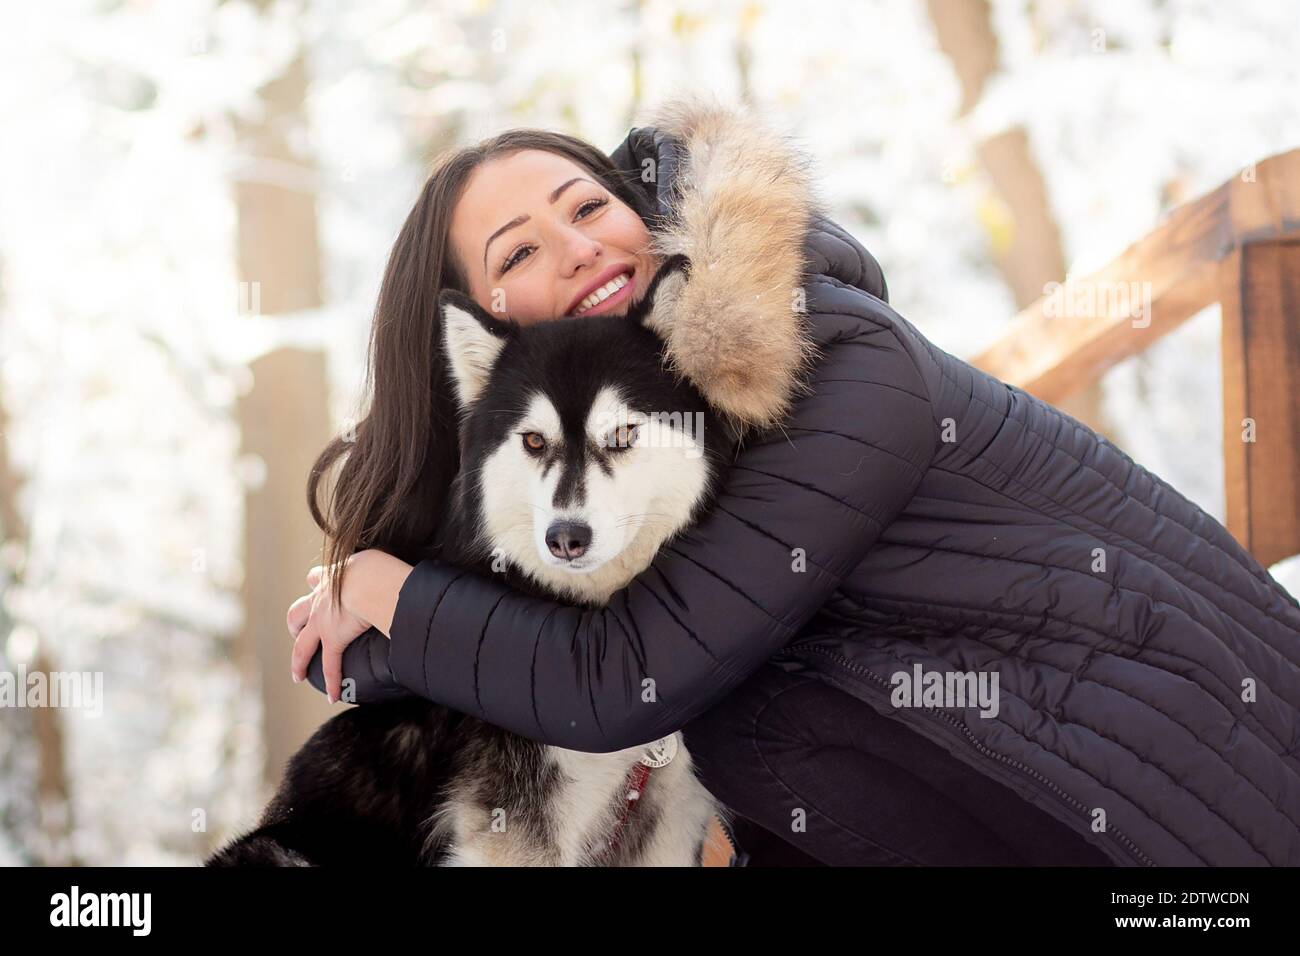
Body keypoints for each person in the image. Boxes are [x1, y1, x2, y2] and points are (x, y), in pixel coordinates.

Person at [287, 96, 1300, 866]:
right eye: (523, 250)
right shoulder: (651, 436)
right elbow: (523, 631)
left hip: (1209, 776)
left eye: (589, 206)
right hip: (1061, 769)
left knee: (743, 719)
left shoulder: (837, 361)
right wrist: (380, 642)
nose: (582, 245)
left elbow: (618, 675)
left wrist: (384, 592)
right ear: (484, 328)